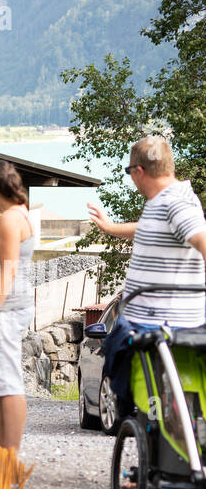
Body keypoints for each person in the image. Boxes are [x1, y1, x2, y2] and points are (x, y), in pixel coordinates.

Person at [88, 136, 206, 412]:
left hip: (158, 323)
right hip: (159, 318)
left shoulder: (177, 203)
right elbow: (149, 228)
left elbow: (200, 238)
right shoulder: (163, 201)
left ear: (138, 172)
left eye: (130, 172)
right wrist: (110, 227)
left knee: (114, 357)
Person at [0, 159, 36, 452]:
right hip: (9, 307)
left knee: (8, 382)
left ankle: (9, 453)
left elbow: (9, 270)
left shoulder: (11, 219)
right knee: (1, 381)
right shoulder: (19, 213)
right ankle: (2, 448)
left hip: (6, 309)